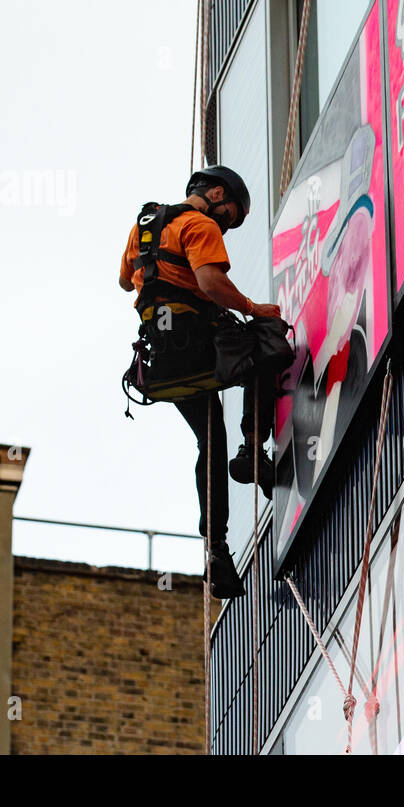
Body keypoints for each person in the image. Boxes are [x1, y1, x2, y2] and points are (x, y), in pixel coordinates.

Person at [119, 165, 280, 599]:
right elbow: (210, 283)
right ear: (214, 192)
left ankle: (216, 549)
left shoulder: (146, 225)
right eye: (230, 216)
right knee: (271, 344)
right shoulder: (199, 224)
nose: (225, 226)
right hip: (197, 346)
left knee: (210, 437)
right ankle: (253, 448)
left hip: (162, 362)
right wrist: (253, 308)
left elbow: (123, 280)